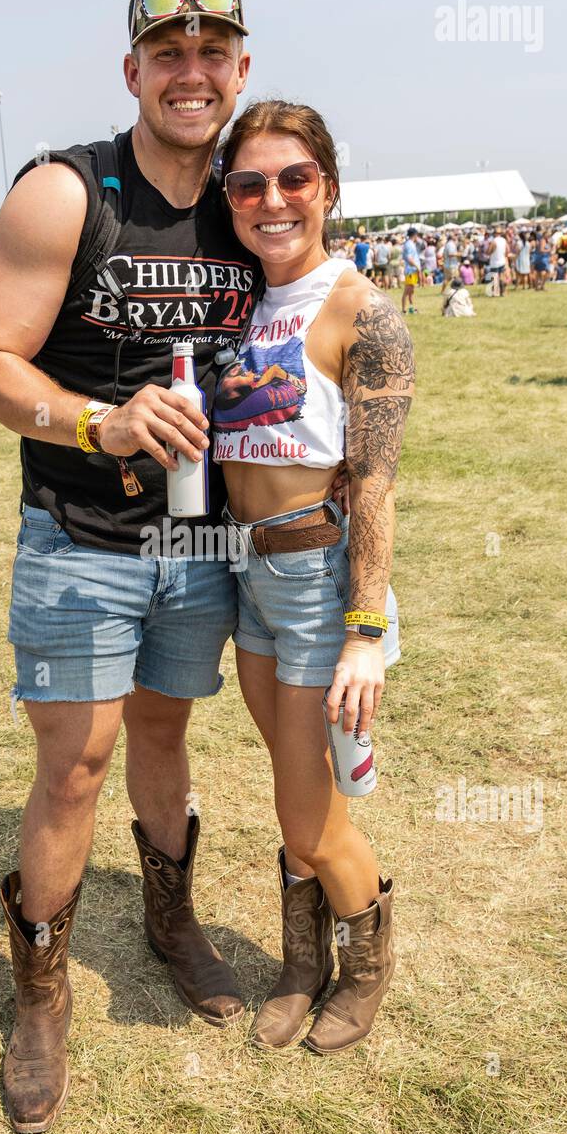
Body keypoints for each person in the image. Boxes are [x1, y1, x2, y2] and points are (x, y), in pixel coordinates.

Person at [0, 0, 288, 1134]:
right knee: (74, 765)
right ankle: (39, 991)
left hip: (200, 539)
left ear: (238, 67)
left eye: (213, 53)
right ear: (133, 69)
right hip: (79, 531)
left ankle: (165, 917)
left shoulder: (252, 202)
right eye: (169, 54)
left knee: (163, 732)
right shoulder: (64, 190)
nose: (190, 74)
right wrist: (100, 420)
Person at [215, 99, 411, 1053]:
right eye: (249, 183)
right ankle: (302, 963)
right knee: (299, 793)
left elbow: (373, 485)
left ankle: (365, 958)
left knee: (307, 807)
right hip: (245, 579)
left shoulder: (362, 312)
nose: (273, 199)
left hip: (319, 582)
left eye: (295, 178)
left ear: (328, 187)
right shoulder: (237, 298)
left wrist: (364, 634)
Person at [401, 227, 422, 314]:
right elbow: (409, 258)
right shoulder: (409, 244)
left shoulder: (410, 243)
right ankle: (404, 309)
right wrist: (417, 266)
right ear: (415, 234)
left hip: (412, 270)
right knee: (407, 290)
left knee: (411, 291)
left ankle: (411, 308)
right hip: (410, 270)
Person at [487, 227, 508, 297]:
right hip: (502, 261)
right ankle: (503, 292)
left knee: (495, 278)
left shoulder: (494, 241)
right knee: (501, 277)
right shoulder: (504, 240)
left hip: (494, 262)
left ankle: (496, 292)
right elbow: (507, 250)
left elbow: (489, 251)